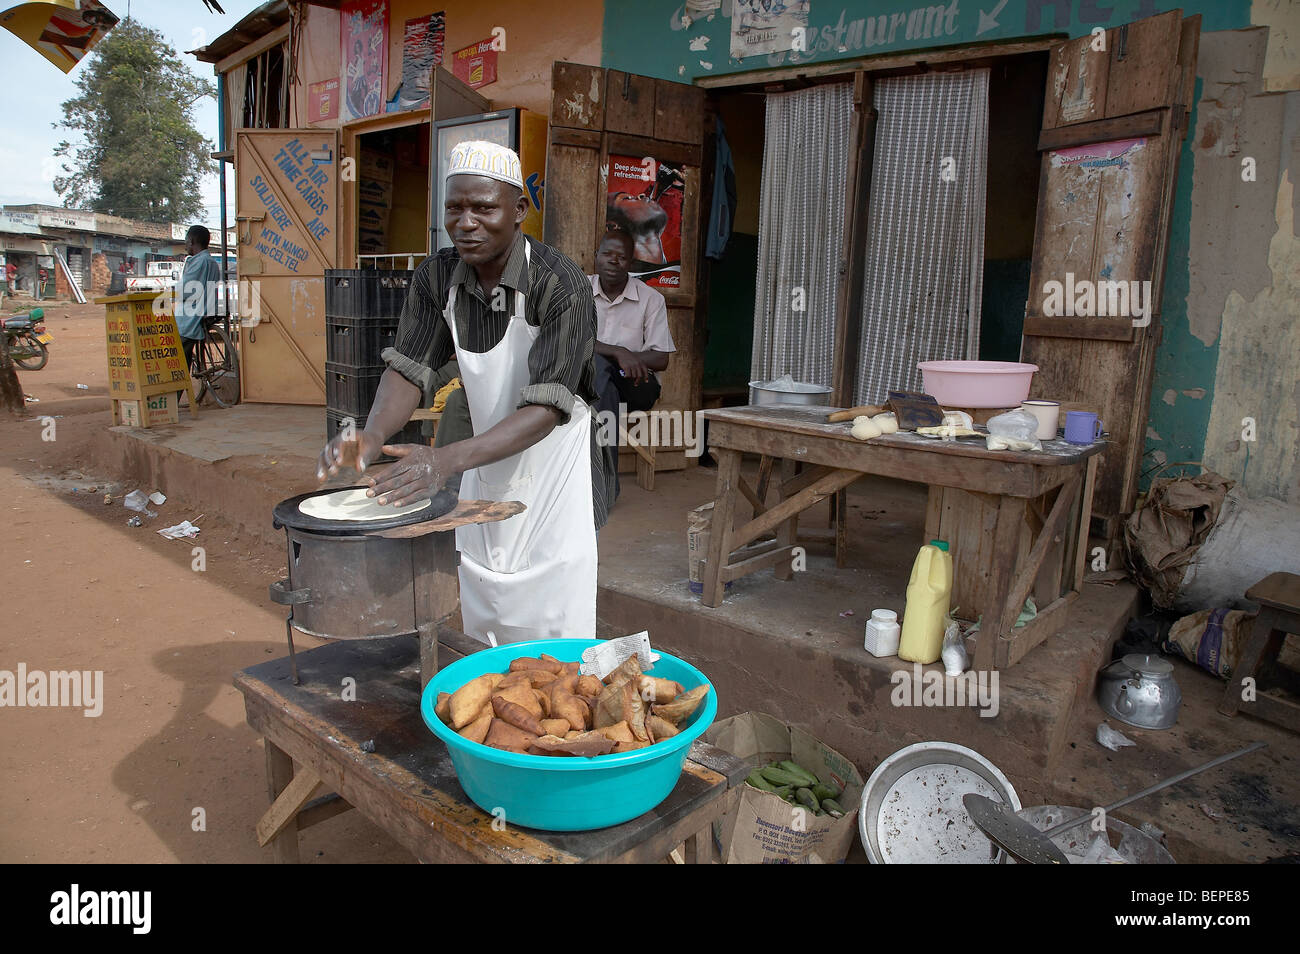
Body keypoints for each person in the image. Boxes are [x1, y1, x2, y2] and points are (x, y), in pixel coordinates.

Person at [317, 140, 615, 645]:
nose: (466, 223)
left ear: (519, 210)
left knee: (553, 621)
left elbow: (546, 407)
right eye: (455, 208)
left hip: (555, 470)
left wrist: (443, 460)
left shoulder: (559, 283)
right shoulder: (436, 276)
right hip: (480, 454)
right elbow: (410, 369)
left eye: (484, 208)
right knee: (486, 595)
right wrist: (370, 435)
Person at [590, 230, 675, 424]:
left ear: (631, 264)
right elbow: (568, 339)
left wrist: (624, 359)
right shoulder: (578, 290)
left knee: (599, 369)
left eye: (622, 257)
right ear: (596, 256)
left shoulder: (651, 299)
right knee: (599, 374)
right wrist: (618, 352)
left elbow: (661, 358)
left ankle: (597, 447)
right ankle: (605, 450)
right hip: (590, 380)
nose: (613, 261)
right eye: (607, 254)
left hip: (633, 382)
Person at [175, 226, 222, 404]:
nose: (186, 244)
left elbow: (186, 290)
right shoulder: (211, 262)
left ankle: (172, 399)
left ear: (192, 241)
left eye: (187, 241)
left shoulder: (198, 262)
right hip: (206, 310)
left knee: (177, 357)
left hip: (192, 315)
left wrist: (172, 292)